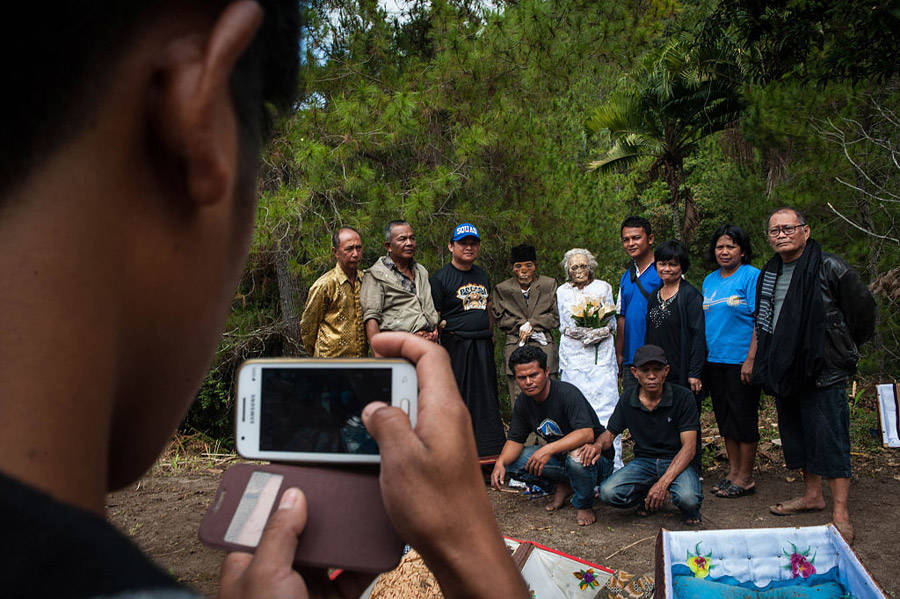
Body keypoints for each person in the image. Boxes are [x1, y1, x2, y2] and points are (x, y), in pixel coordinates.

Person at [0, 3, 530, 597]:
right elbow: (311, 327)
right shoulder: (336, 285)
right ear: (195, 114)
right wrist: (474, 554)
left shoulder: (407, 277)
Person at [751, 208, 876, 545]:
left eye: (788, 228)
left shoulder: (829, 266)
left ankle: (840, 512)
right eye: (774, 230)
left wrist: (840, 348)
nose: (780, 235)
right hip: (785, 368)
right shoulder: (770, 272)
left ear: (805, 231)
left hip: (825, 369)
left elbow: (863, 311)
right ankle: (811, 496)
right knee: (799, 435)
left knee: (831, 437)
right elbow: (764, 319)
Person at [490, 346, 613, 526]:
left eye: (534, 375)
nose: (528, 382)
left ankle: (584, 503)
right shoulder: (523, 402)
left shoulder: (567, 393)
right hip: (561, 459)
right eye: (522, 378)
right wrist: (500, 463)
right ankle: (565, 486)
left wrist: (548, 448)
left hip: (595, 461)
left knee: (577, 456)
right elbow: (515, 440)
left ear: (546, 372)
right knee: (512, 463)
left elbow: (587, 433)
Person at [583, 345, 703, 525]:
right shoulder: (628, 398)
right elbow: (609, 434)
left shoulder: (683, 397)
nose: (652, 375)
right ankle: (644, 497)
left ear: (666, 371)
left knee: (689, 499)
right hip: (644, 461)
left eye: (657, 370)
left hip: (676, 459)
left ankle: (686, 508)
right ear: (634, 372)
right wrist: (597, 446)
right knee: (608, 492)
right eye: (645, 370)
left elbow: (689, 448)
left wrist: (662, 484)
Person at [431, 223, 506, 457]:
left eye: (473, 243)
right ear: (451, 246)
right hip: (456, 347)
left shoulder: (482, 274)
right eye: (463, 243)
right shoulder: (440, 278)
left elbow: (488, 307)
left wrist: (491, 334)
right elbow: (434, 315)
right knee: (457, 400)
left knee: (486, 400)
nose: (469, 247)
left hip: (482, 346)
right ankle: (455, 455)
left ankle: (489, 453)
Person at [701, 225, 761, 498]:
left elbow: (761, 321)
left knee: (743, 418)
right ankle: (733, 471)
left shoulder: (752, 277)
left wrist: (751, 359)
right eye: (720, 247)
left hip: (741, 360)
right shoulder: (709, 280)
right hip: (715, 361)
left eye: (731, 247)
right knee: (725, 418)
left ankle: (746, 476)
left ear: (743, 250)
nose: (724, 252)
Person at [556, 248, 624, 470]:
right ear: (568, 270)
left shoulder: (603, 287)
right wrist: (579, 333)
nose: (579, 271)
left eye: (583, 266)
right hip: (574, 356)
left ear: (590, 267)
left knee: (605, 405)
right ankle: (579, 463)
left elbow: (611, 321)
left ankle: (612, 462)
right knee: (576, 406)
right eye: (574, 267)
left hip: (600, 356)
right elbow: (563, 325)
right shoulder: (562, 292)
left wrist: (599, 332)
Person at [492, 244, 560, 404]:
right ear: (513, 268)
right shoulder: (503, 289)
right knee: (519, 397)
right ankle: (523, 429)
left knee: (549, 395)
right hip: (516, 346)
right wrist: (520, 325)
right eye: (518, 266)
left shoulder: (548, 285)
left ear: (535, 266)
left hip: (543, 346)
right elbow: (499, 318)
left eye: (528, 265)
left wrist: (532, 324)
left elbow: (556, 316)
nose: (524, 270)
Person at [360, 220, 439, 344]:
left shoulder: (421, 271)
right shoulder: (376, 275)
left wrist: (434, 330)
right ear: (389, 246)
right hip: (397, 349)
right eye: (402, 239)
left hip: (429, 345)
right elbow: (371, 319)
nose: (409, 243)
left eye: (412, 238)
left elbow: (428, 307)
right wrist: (378, 355)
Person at [299, 226, 367, 357]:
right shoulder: (325, 285)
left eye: (358, 248)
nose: (355, 254)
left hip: (359, 362)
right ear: (335, 252)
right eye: (349, 249)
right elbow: (308, 328)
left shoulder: (365, 280)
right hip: (330, 362)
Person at [616, 216, 662, 392]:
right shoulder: (626, 277)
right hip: (631, 360)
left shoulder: (664, 270)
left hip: (657, 358)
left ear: (650, 239)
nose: (630, 244)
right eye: (626, 240)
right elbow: (622, 317)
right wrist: (619, 354)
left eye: (636, 238)